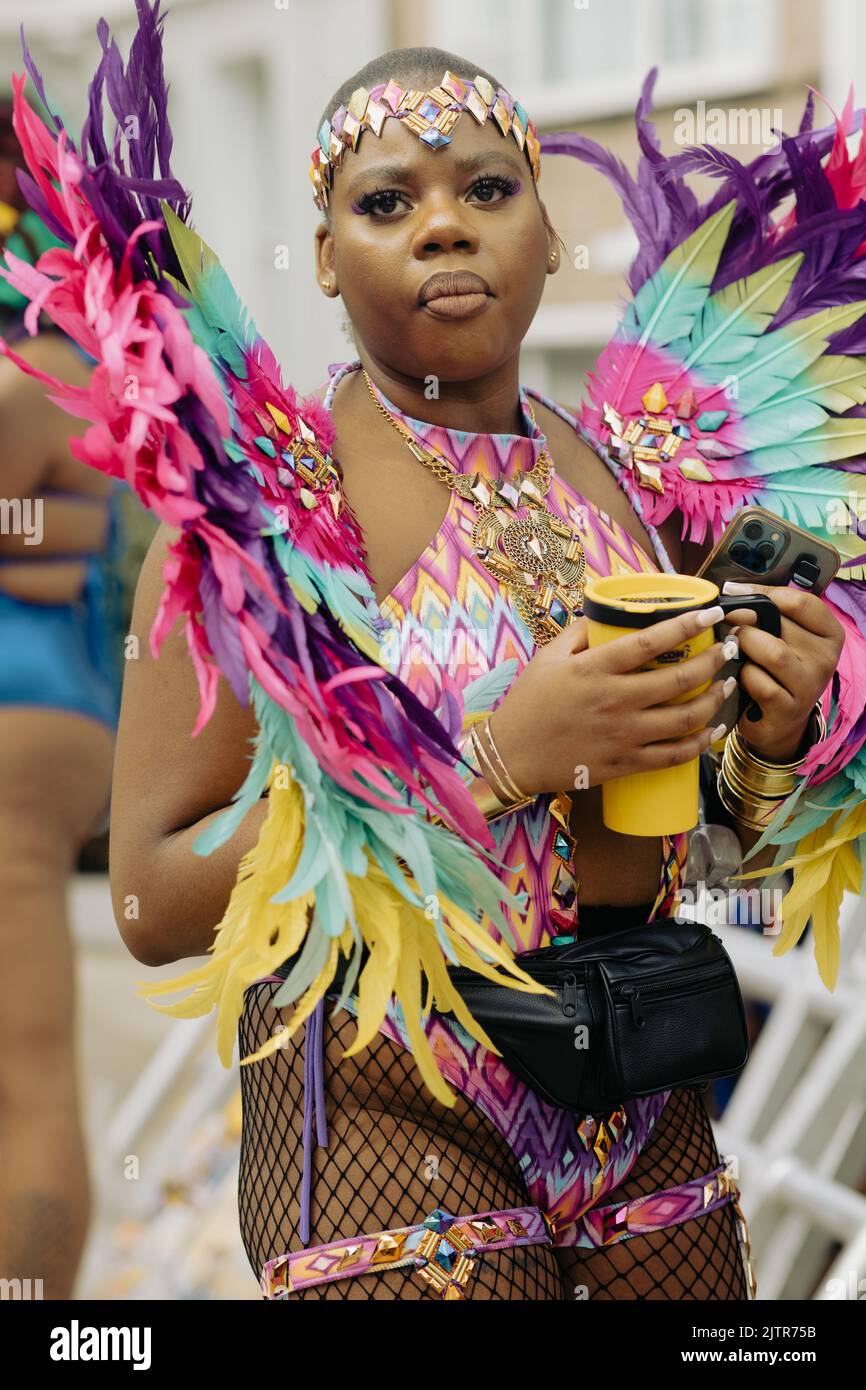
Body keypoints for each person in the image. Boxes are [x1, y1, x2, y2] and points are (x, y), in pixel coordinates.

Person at [2, 4, 861, 1302]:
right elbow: (152, 900)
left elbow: (724, 852)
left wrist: (777, 731)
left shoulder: (634, 486)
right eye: (387, 200)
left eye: (485, 187)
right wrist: (496, 754)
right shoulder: (262, 512)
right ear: (329, 262)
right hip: (387, 1108)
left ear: (546, 230)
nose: (443, 223)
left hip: (640, 1086)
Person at [0, 103, 123, 1298]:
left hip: (16, 721)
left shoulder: (19, 382)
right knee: (27, 1069)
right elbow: (55, 536)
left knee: (25, 1076)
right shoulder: (73, 367)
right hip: (57, 709)